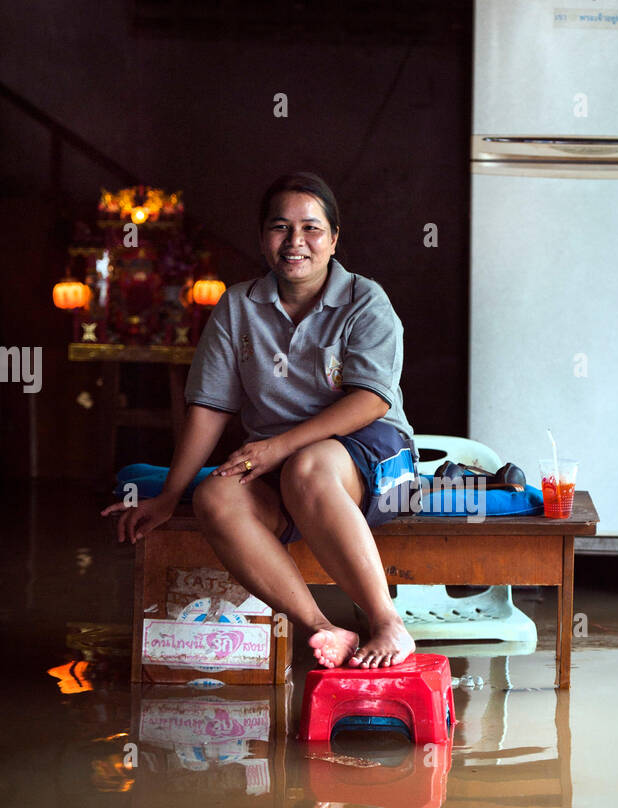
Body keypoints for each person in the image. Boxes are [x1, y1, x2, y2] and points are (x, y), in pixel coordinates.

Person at [102, 172, 418, 669]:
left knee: (307, 466)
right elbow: (209, 407)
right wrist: (169, 496)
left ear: (334, 239)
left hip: (372, 455)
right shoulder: (237, 305)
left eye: (312, 228)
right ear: (262, 239)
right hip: (282, 466)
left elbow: (371, 401)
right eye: (280, 227)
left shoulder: (364, 300)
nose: (296, 242)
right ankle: (323, 628)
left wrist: (280, 447)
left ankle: (386, 622)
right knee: (216, 495)